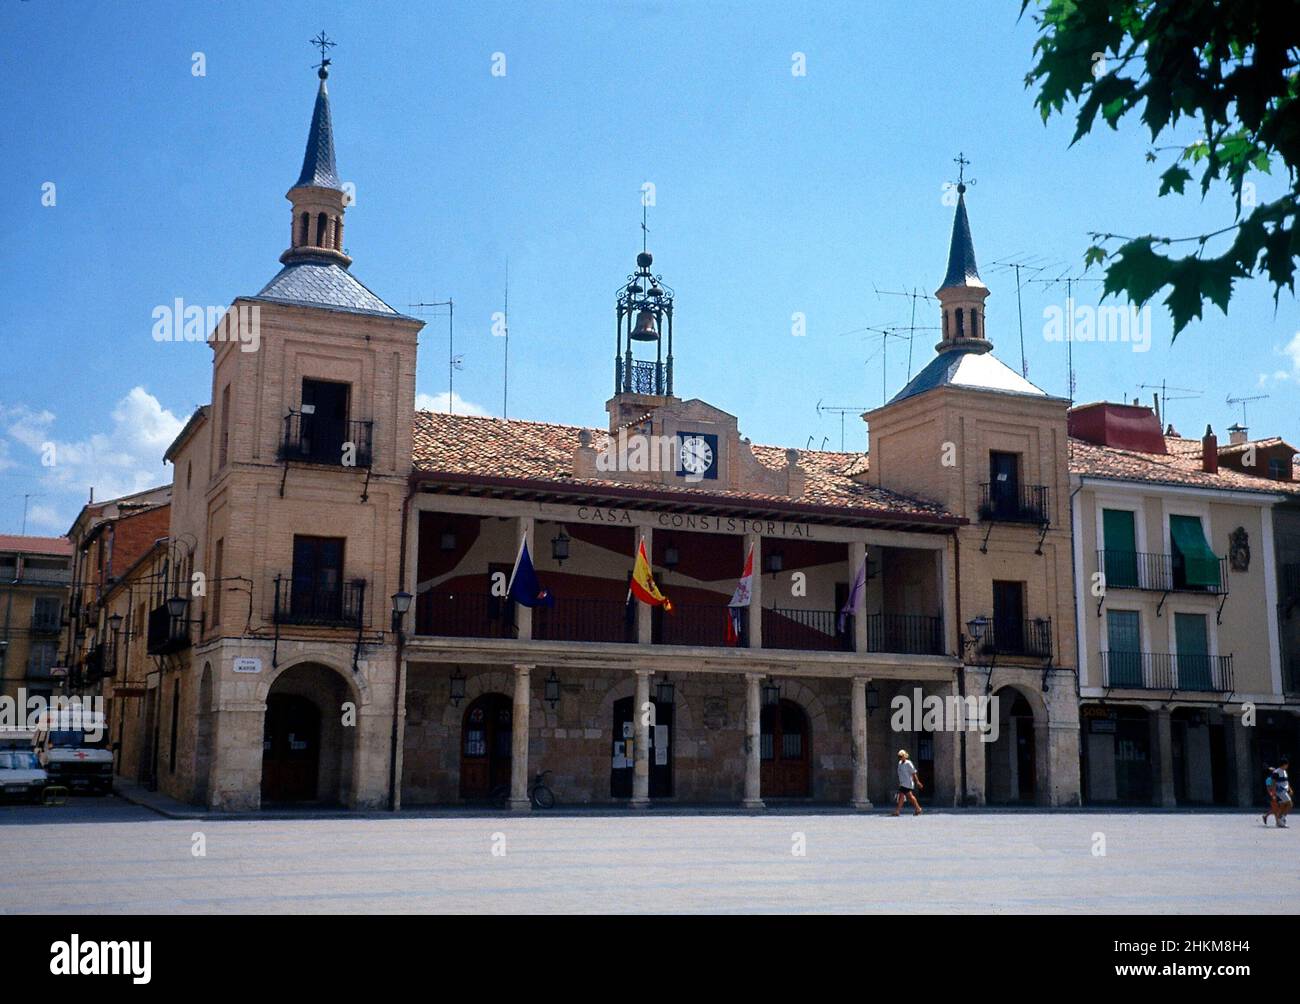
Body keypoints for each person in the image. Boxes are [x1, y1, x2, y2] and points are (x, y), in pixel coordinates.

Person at [893, 748, 923, 816]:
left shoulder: (908, 763)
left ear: (904, 756)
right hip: (903, 783)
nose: (900, 758)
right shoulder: (900, 763)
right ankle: (917, 808)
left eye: (901, 756)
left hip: (908, 783)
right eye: (899, 756)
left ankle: (898, 811)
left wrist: (917, 781)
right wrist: (900, 782)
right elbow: (900, 773)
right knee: (906, 796)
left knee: (905, 796)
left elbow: (913, 772)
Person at [1266, 757, 1292, 828]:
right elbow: (1273, 783)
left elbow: (1286, 781)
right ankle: (1281, 819)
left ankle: (1279, 821)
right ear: (1284, 764)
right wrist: (1274, 793)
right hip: (1280, 791)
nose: (1287, 766)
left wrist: (1289, 789)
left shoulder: (1284, 771)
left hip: (1284, 790)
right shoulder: (1277, 772)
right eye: (1287, 764)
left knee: (1283, 806)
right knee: (1290, 804)